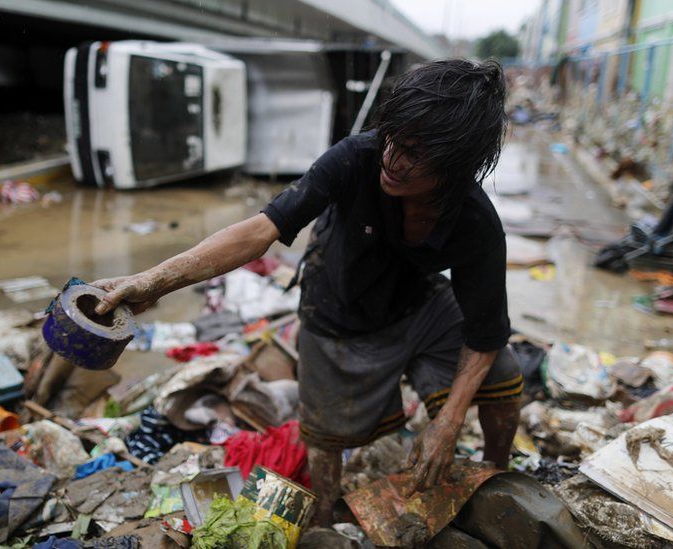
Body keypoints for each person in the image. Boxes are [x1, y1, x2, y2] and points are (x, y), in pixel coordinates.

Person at [91, 58, 521, 526]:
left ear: (456, 167)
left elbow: (485, 333)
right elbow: (259, 230)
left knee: (503, 379)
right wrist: (152, 281)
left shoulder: (477, 223)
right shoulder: (358, 157)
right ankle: (324, 518)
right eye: (393, 138)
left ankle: (498, 480)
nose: (392, 160)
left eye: (415, 153)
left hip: (420, 305)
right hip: (336, 306)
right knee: (326, 438)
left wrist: (448, 423)